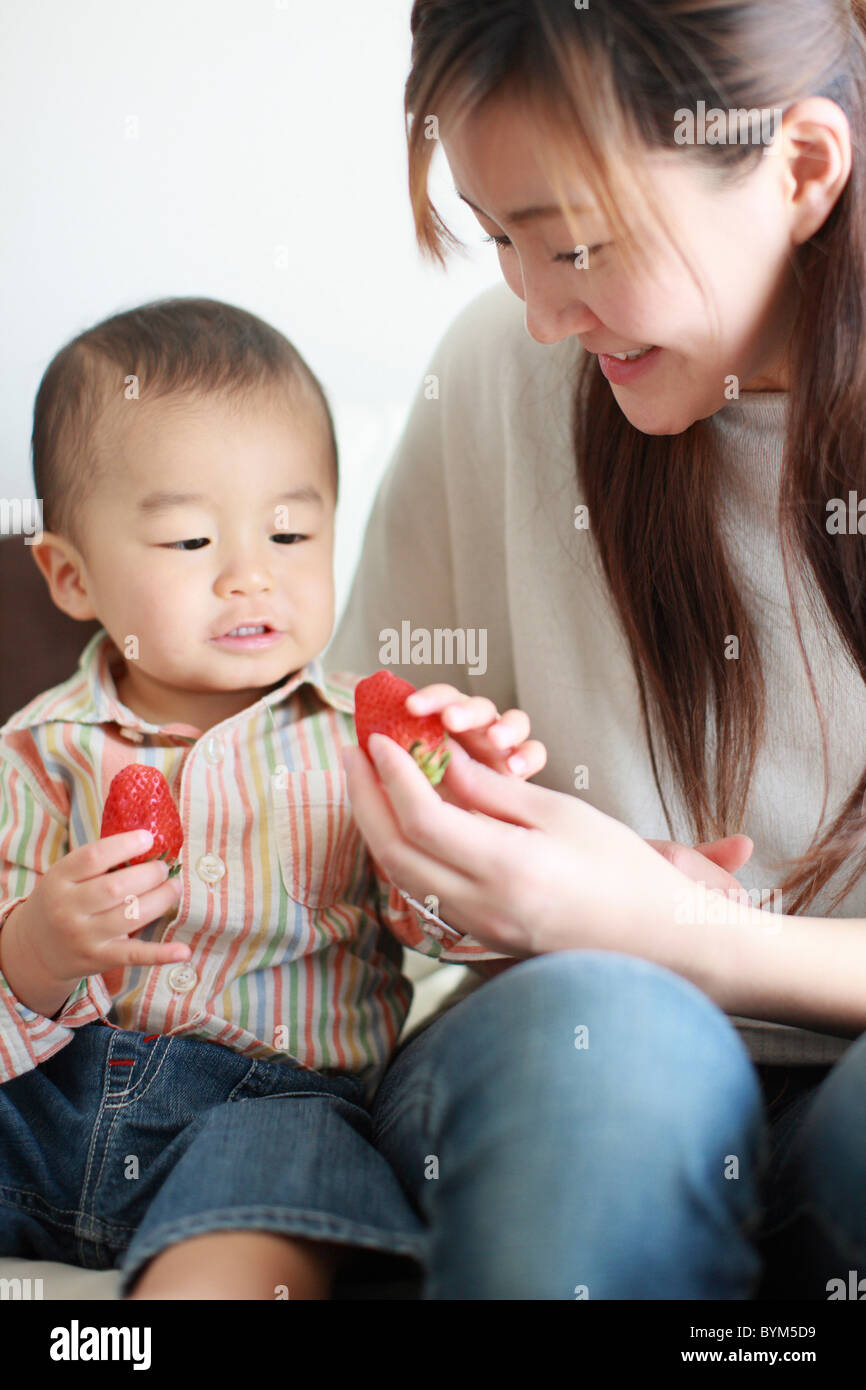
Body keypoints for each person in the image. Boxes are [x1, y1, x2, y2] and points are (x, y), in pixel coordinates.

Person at [325, 0, 866, 1298]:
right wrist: (452, 864)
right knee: (614, 1053)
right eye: (496, 238)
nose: (536, 316)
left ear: (798, 167)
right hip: (560, 1067)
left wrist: (661, 920)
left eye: (571, 245)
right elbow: (352, 855)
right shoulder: (501, 382)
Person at [0, 296, 543, 1299]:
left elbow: (445, 928)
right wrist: (33, 946)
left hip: (266, 1105)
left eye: (291, 533)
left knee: (259, 1218)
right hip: (44, 1091)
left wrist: (467, 808)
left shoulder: (359, 741)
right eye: (190, 544)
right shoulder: (35, 750)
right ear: (71, 575)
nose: (251, 576)